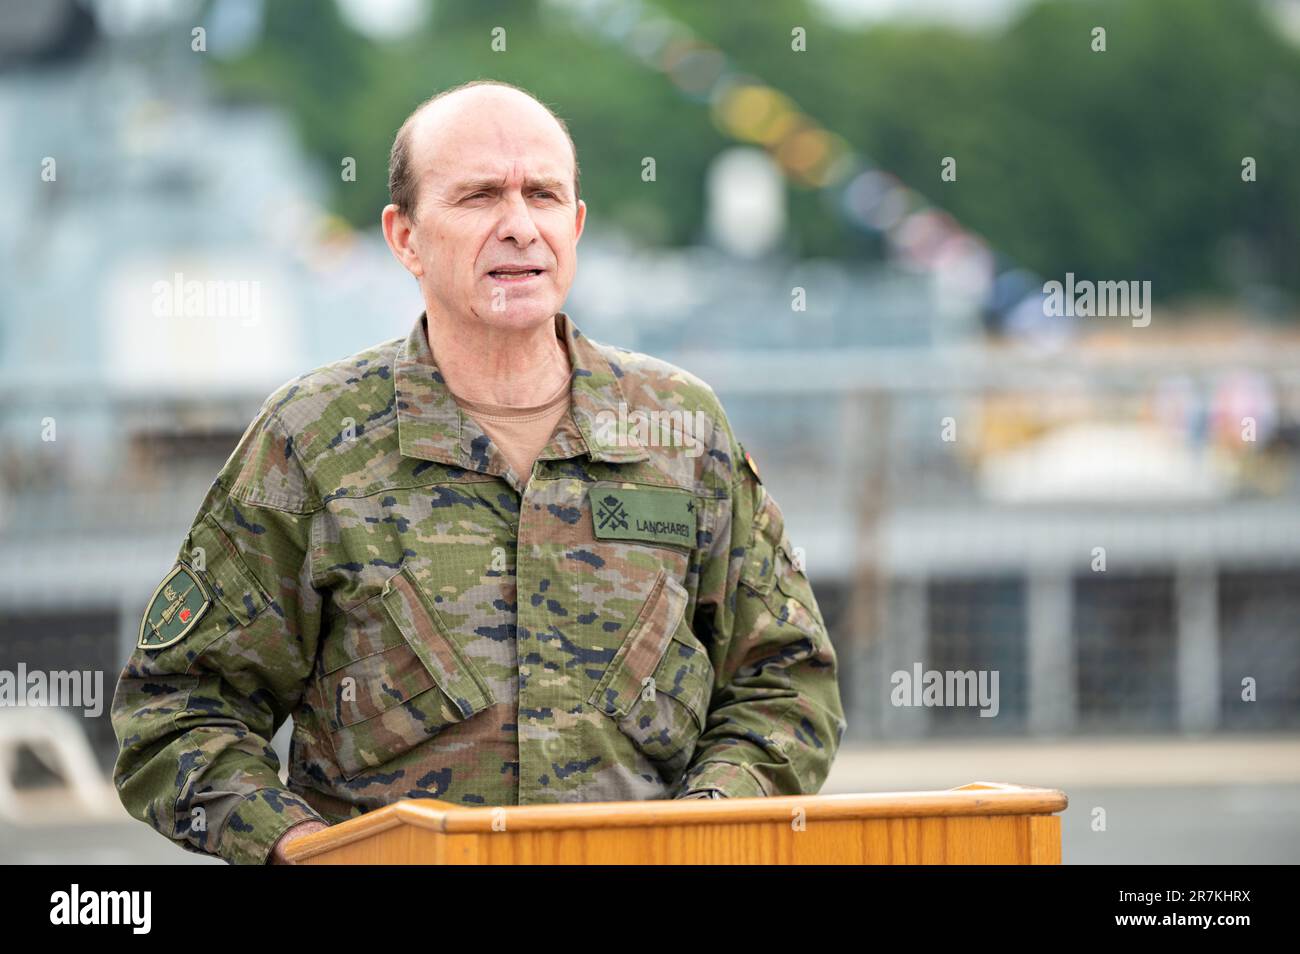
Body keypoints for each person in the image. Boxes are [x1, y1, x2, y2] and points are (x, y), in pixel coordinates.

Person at [110, 80, 845, 864]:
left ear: (578, 224)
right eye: (479, 197)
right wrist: (303, 850)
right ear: (405, 238)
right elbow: (178, 709)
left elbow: (783, 683)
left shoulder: (680, 430)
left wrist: (704, 830)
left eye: (544, 195)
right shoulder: (312, 441)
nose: (520, 227)